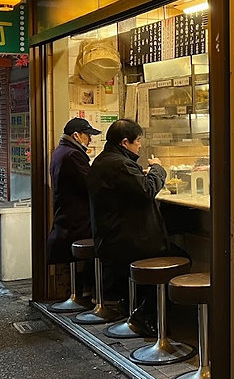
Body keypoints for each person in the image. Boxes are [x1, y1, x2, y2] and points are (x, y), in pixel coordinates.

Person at [88, 118, 169, 334]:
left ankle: (132, 307)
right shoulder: (120, 164)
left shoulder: (103, 160)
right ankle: (143, 315)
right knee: (174, 257)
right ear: (125, 142)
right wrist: (158, 169)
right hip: (126, 242)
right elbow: (147, 191)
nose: (140, 145)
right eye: (138, 141)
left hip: (111, 237)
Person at [46, 118, 101, 287]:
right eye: (88, 135)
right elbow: (91, 185)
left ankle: (83, 292)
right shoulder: (73, 155)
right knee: (108, 244)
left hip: (66, 221)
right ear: (76, 136)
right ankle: (96, 293)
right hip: (77, 223)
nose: (90, 139)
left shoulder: (60, 151)